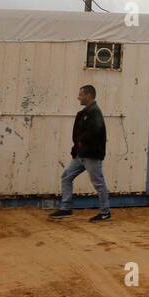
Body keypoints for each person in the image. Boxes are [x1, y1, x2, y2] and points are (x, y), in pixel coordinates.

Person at [50, 84, 110, 222]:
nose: (79, 98)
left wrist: (80, 143)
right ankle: (66, 208)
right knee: (66, 177)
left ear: (88, 95)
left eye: (81, 95)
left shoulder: (94, 112)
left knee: (98, 183)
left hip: (91, 155)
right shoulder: (87, 112)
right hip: (82, 155)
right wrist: (76, 148)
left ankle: (105, 212)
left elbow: (92, 133)